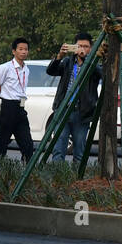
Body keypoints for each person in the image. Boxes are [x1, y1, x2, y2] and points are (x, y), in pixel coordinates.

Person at [46, 32, 98, 162]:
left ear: (91, 48)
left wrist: (86, 59)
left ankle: (76, 175)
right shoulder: (67, 62)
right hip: (63, 109)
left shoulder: (93, 64)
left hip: (82, 112)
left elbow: (102, 74)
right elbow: (50, 71)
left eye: (86, 46)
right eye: (79, 46)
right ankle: (58, 174)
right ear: (74, 47)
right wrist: (59, 56)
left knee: (79, 152)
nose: (82, 49)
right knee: (59, 148)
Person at [0, 37, 34, 160]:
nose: (23, 52)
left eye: (26, 49)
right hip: (8, 109)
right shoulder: (6, 67)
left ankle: (27, 170)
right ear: (14, 51)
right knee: (2, 145)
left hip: (21, 108)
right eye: (20, 49)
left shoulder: (26, 69)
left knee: (28, 145)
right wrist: (6, 99)